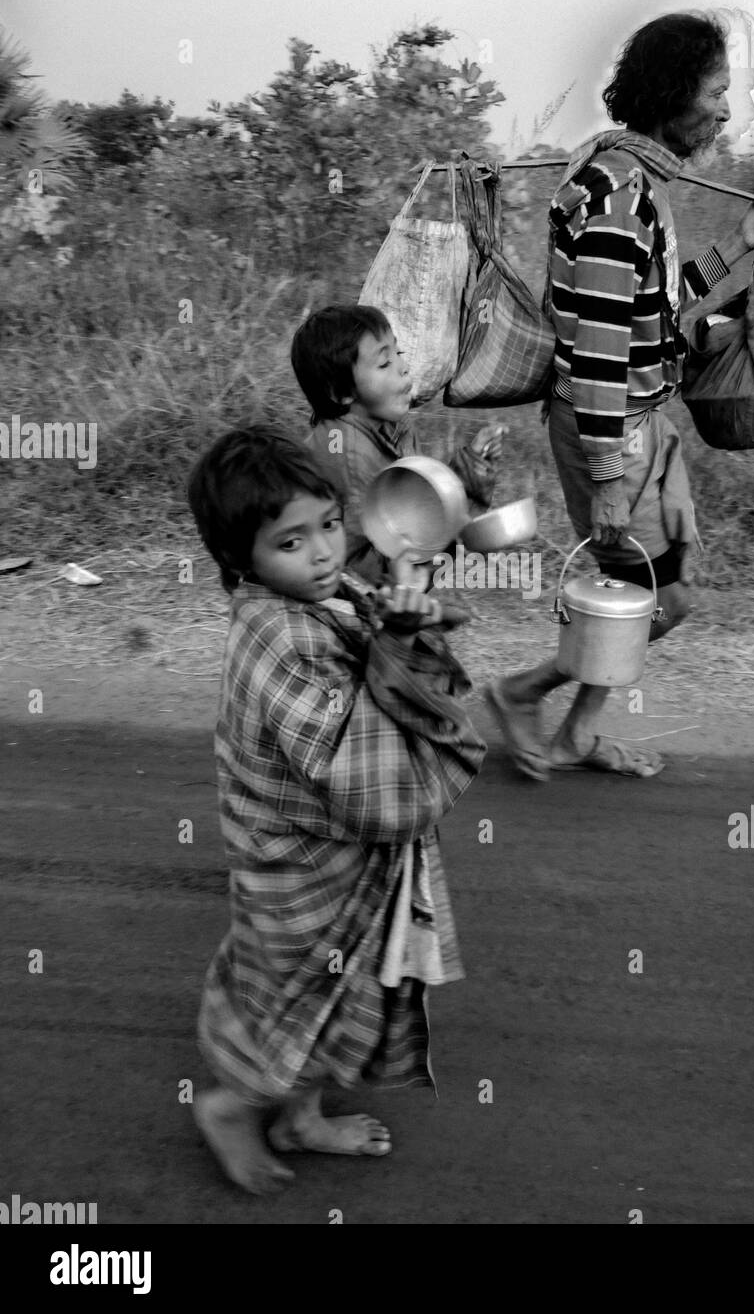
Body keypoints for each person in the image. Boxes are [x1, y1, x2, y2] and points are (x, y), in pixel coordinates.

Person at [486, 10, 754, 779]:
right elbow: (595, 344)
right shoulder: (617, 192)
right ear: (673, 89)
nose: (727, 110)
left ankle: (572, 731)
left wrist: (741, 250)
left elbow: (645, 310)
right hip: (613, 426)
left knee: (655, 589)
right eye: (717, 91)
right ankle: (524, 695)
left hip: (640, 420)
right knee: (661, 597)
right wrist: (604, 477)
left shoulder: (631, 180)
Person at [186, 425, 485, 1194]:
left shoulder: (323, 594)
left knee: (338, 985)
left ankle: (300, 1116)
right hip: (300, 863)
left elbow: (372, 651)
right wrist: (399, 647)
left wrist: (402, 623)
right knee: (298, 992)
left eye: (328, 524)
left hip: (336, 858)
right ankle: (232, 1103)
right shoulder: (280, 638)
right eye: (292, 541)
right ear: (238, 561)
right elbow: (359, 768)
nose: (322, 553)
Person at [293, 304, 506, 587]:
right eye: (384, 363)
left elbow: (417, 503)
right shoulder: (346, 454)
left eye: (399, 354)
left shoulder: (392, 427)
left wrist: (471, 468)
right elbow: (359, 565)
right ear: (342, 392)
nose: (404, 368)